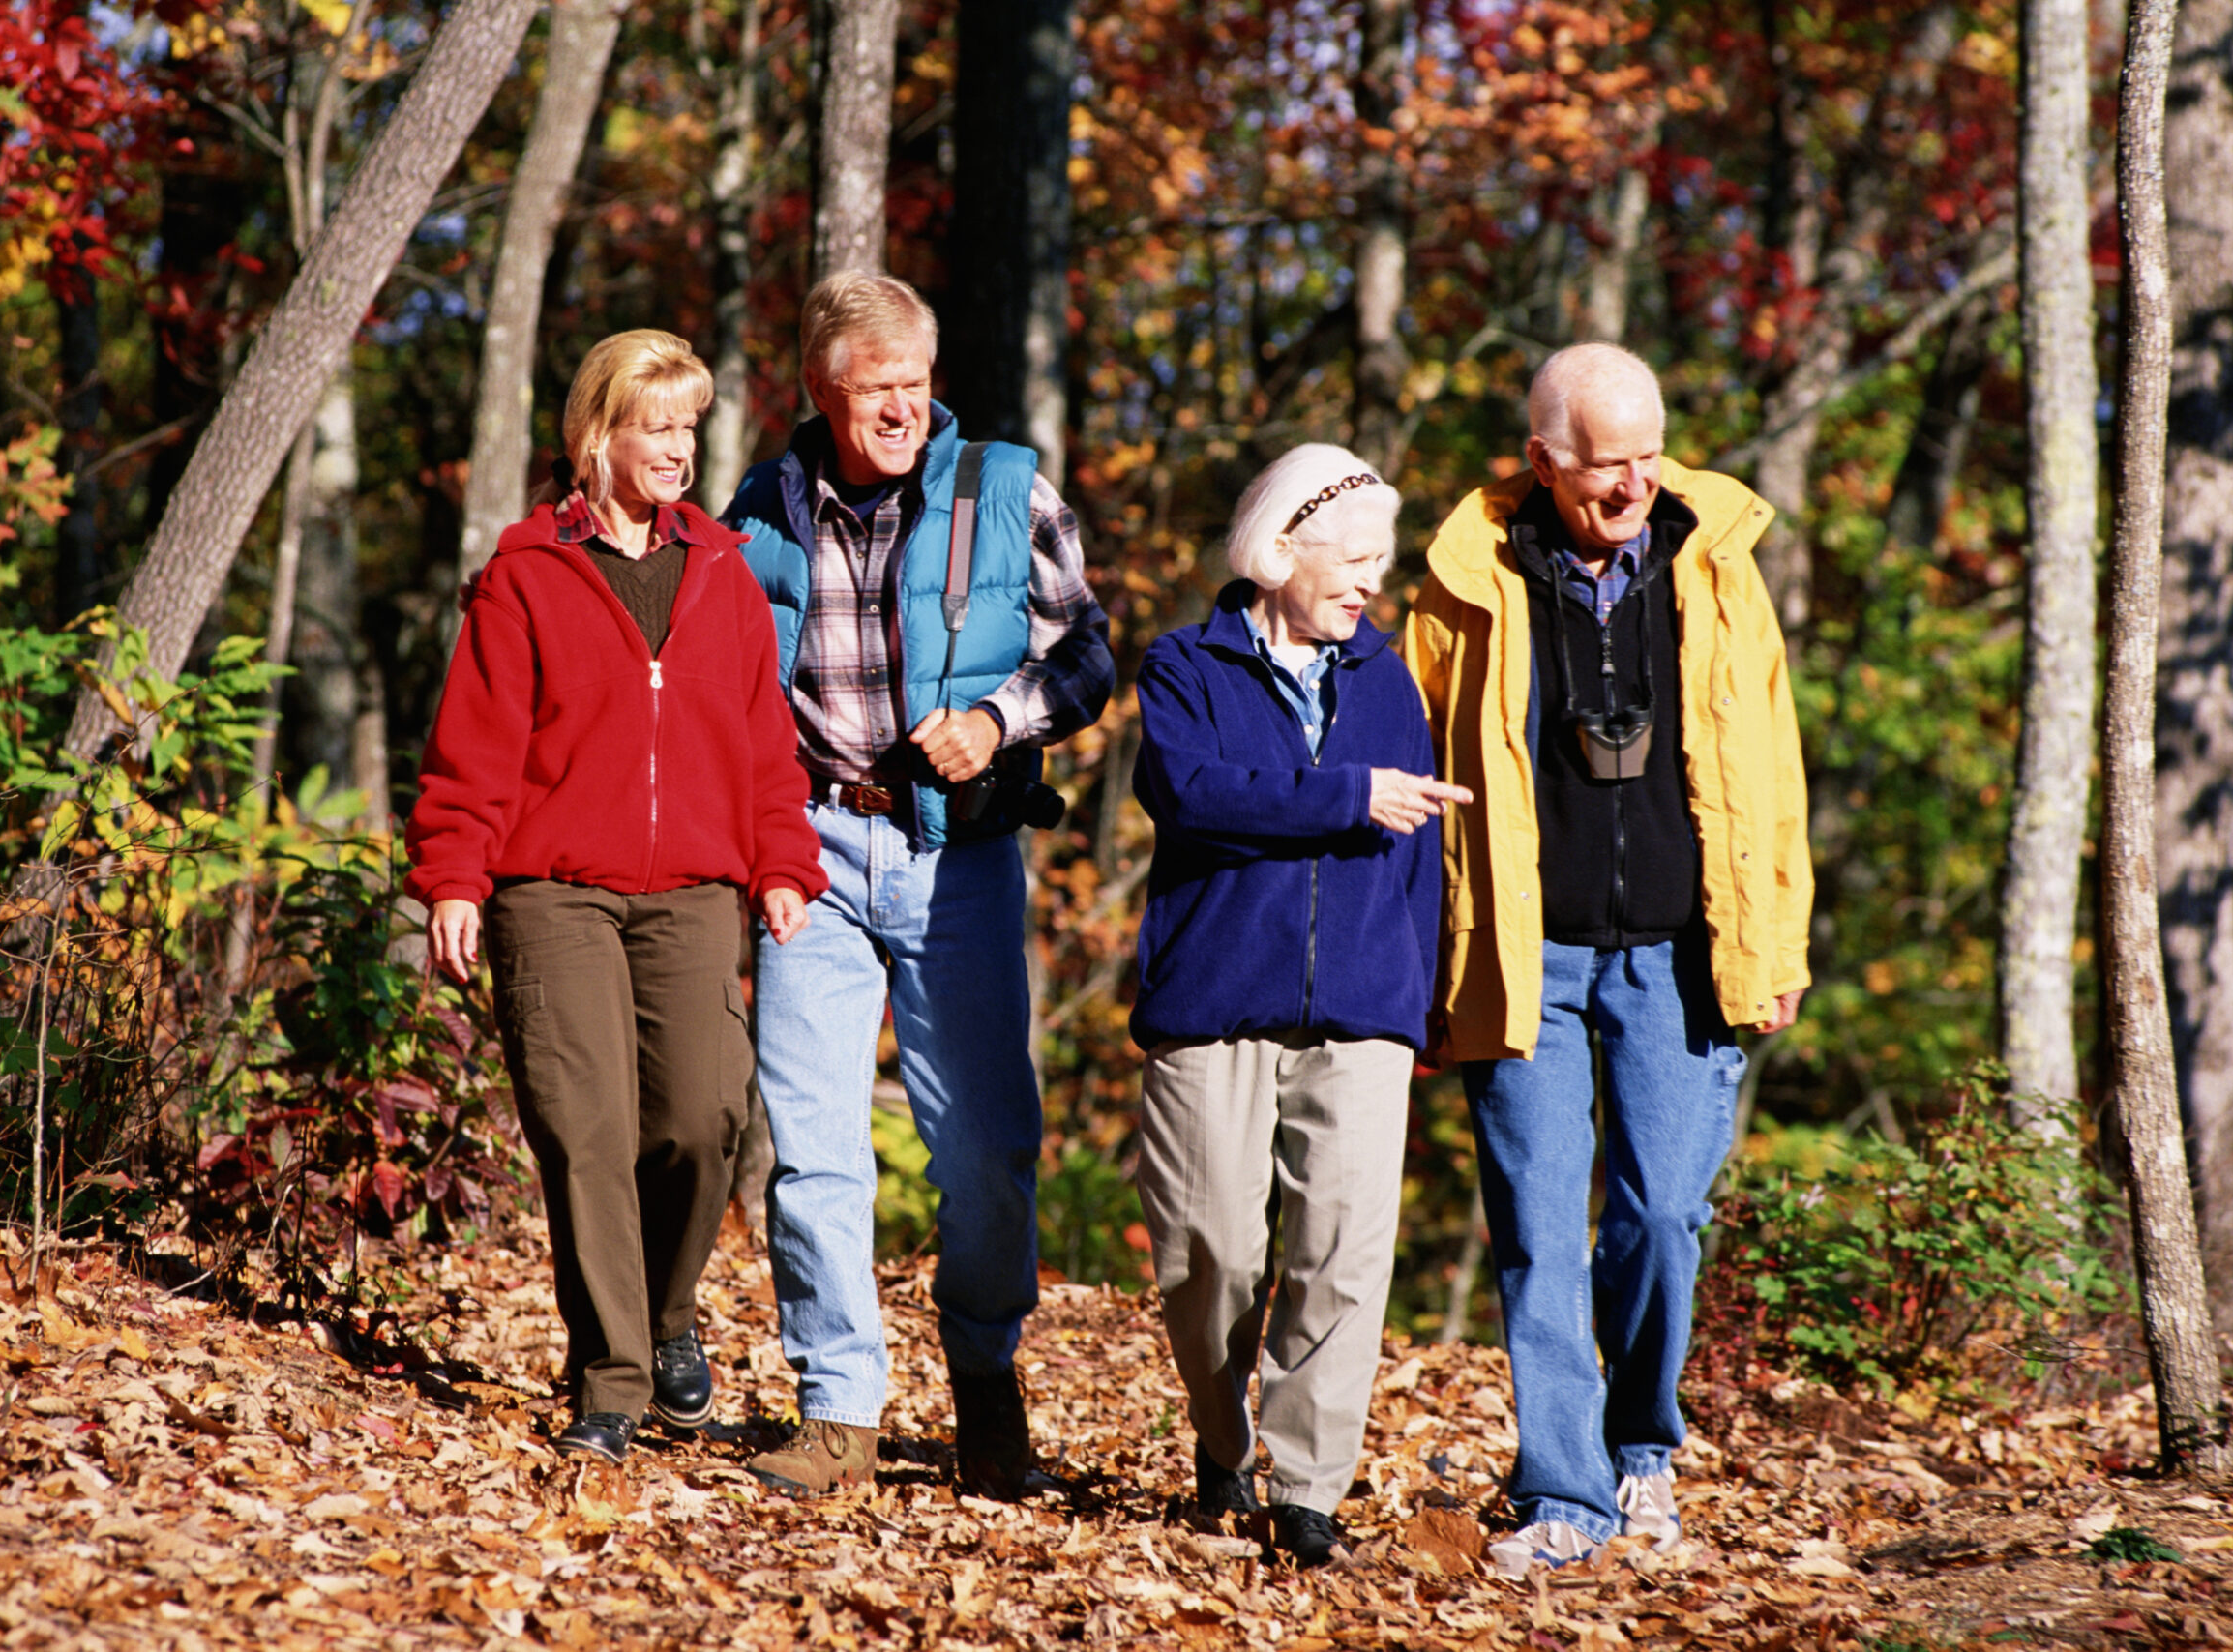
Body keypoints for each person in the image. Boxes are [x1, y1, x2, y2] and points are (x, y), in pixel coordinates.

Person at [1402, 343, 1812, 1576]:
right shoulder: (1465, 585)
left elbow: (1773, 764)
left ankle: (1641, 1445)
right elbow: (1422, 770)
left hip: (1686, 954)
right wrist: (1421, 966)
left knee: (1664, 1214)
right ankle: (1564, 1493)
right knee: (1534, 1226)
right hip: (1524, 953)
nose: (1630, 483)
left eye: (1645, 454)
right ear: (1541, 462)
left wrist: (1777, 935)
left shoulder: (1718, 564)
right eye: (1600, 465)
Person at [722, 272, 1115, 1500]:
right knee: (817, 1149)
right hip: (814, 851)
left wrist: (998, 721)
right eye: (873, 388)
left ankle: (986, 1390)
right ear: (819, 392)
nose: (900, 407)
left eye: (914, 382)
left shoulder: (1005, 490)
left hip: (961, 858)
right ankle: (837, 1411)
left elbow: (1089, 660)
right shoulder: (760, 508)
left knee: (987, 1151)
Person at [406, 330, 826, 1464]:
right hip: (552, 892)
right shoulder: (527, 574)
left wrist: (782, 861)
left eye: (689, 427)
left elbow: (761, 745)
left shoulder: (726, 574)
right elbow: (473, 750)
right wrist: (453, 877)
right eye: (656, 426)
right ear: (597, 436)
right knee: (584, 1130)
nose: (678, 448)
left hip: (694, 889)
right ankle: (614, 1378)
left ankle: (670, 1312)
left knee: (702, 1116)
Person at [1129, 446, 1469, 1567]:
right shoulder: (1185, 666)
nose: (1372, 580)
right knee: (1207, 1248)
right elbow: (1191, 795)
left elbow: (1418, 862)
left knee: (1341, 1252)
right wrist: (1347, 799)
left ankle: (1309, 1488)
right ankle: (1222, 1443)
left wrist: (1409, 1001)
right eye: (1354, 556)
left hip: (1365, 1007)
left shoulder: (1388, 683)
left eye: (1382, 558)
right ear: (1280, 546)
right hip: (1212, 998)